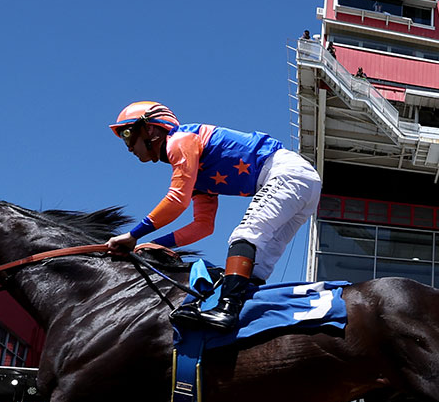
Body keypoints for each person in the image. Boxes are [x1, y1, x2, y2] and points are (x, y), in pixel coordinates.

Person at [103, 101, 323, 332]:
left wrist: (133, 235)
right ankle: (245, 316)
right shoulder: (196, 171)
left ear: (150, 128)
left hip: (285, 173)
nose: (128, 147)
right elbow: (203, 226)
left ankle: (226, 309)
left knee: (245, 235)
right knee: (257, 267)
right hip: (303, 184)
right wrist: (154, 245)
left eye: (128, 134)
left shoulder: (180, 140)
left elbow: (177, 200)